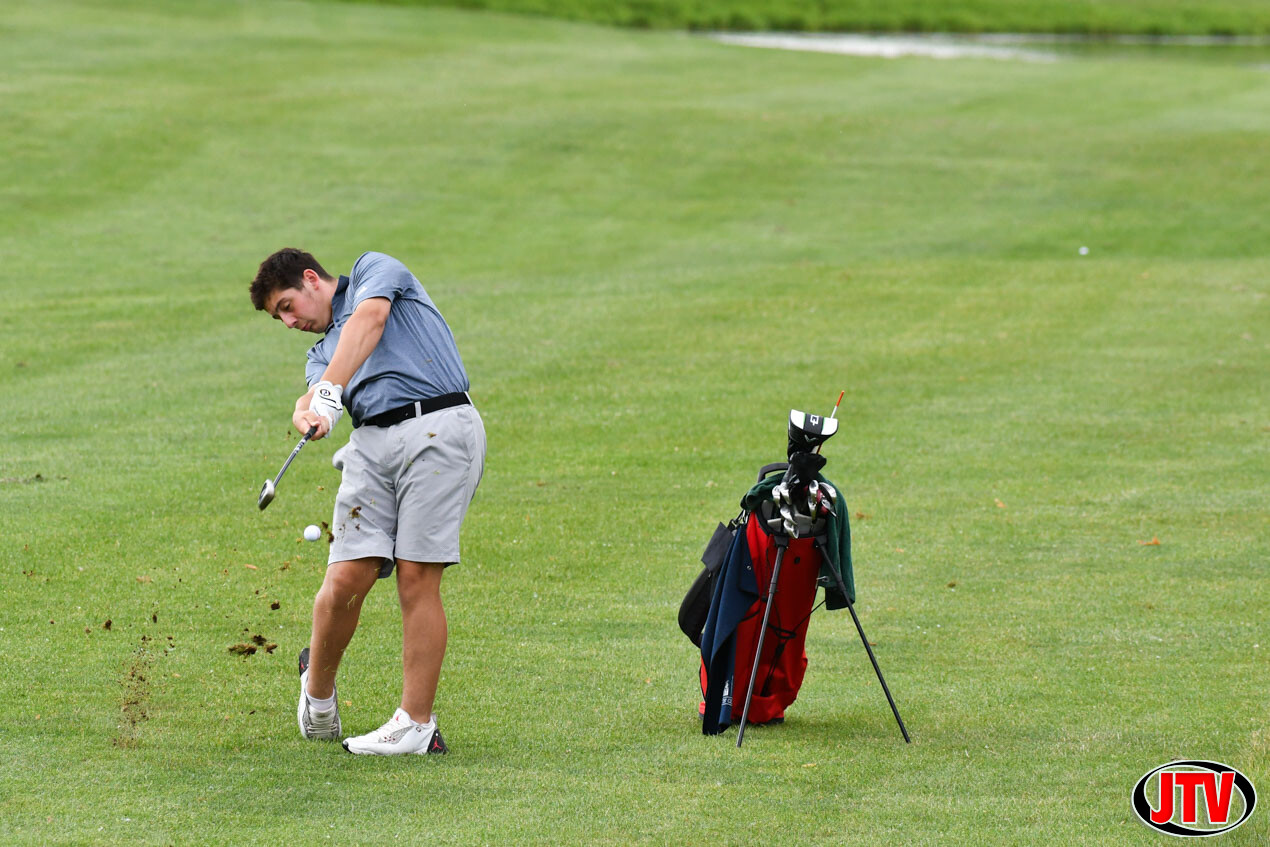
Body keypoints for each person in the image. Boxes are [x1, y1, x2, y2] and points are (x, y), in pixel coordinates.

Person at [249, 248, 485, 756]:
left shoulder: (374, 271)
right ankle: (317, 693)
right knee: (346, 577)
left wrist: (331, 389)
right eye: (278, 318)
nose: (289, 322)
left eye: (288, 306)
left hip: (439, 426)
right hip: (371, 447)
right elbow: (312, 397)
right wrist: (311, 411)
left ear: (312, 279)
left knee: (417, 574)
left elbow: (371, 320)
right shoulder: (319, 354)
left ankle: (416, 725)